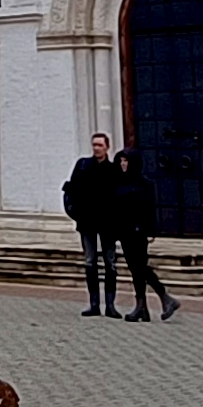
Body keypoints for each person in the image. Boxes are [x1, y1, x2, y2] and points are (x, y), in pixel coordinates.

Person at [112, 149, 181, 321]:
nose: (123, 164)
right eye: (121, 161)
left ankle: (164, 297)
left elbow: (149, 208)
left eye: (126, 161)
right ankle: (142, 307)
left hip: (138, 230)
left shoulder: (144, 184)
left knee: (140, 266)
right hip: (124, 230)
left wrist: (150, 230)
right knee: (135, 269)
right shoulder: (119, 182)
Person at [61, 133, 122, 317]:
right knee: (90, 262)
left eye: (100, 145)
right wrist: (74, 212)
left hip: (108, 224)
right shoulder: (83, 166)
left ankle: (110, 305)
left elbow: (118, 197)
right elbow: (71, 190)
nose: (97, 148)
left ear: (107, 147)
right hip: (87, 222)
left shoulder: (114, 170)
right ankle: (93, 303)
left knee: (110, 263)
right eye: (94, 145)